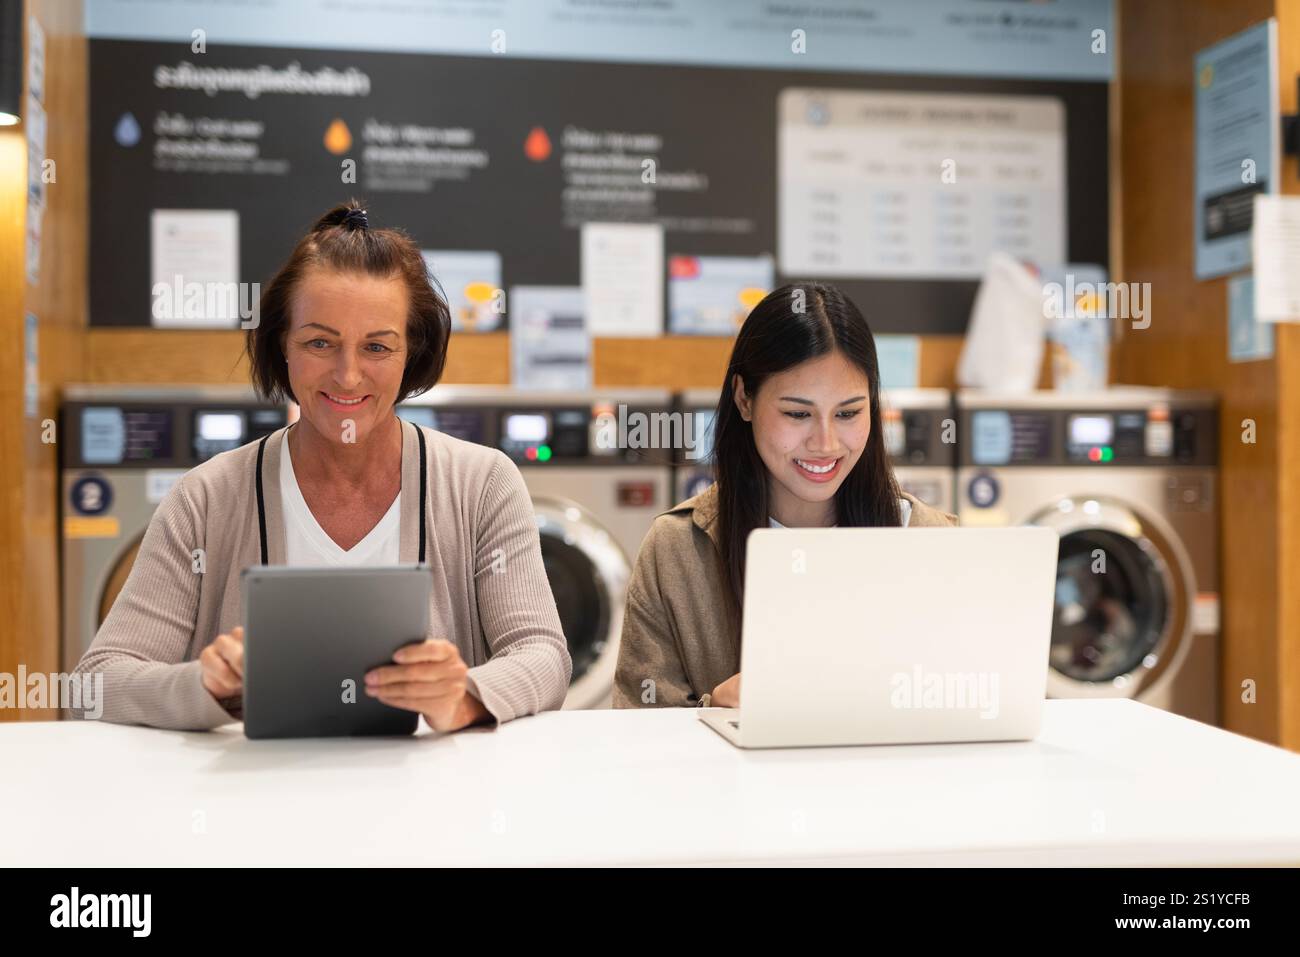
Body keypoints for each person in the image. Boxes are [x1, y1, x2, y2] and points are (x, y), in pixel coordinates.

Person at [72, 201, 571, 731]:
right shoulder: (206, 497)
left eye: (377, 346)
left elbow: (544, 656)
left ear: (412, 355)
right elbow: (96, 684)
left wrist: (466, 695)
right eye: (319, 342)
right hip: (254, 797)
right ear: (281, 345)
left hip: (435, 803)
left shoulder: (482, 485)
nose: (348, 375)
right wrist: (204, 684)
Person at [614, 282, 958, 709]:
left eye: (849, 413)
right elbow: (636, 741)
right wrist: (712, 711)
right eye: (798, 413)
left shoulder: (932, 540)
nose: (826, 442)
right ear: (744, 399)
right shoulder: (677, 551)